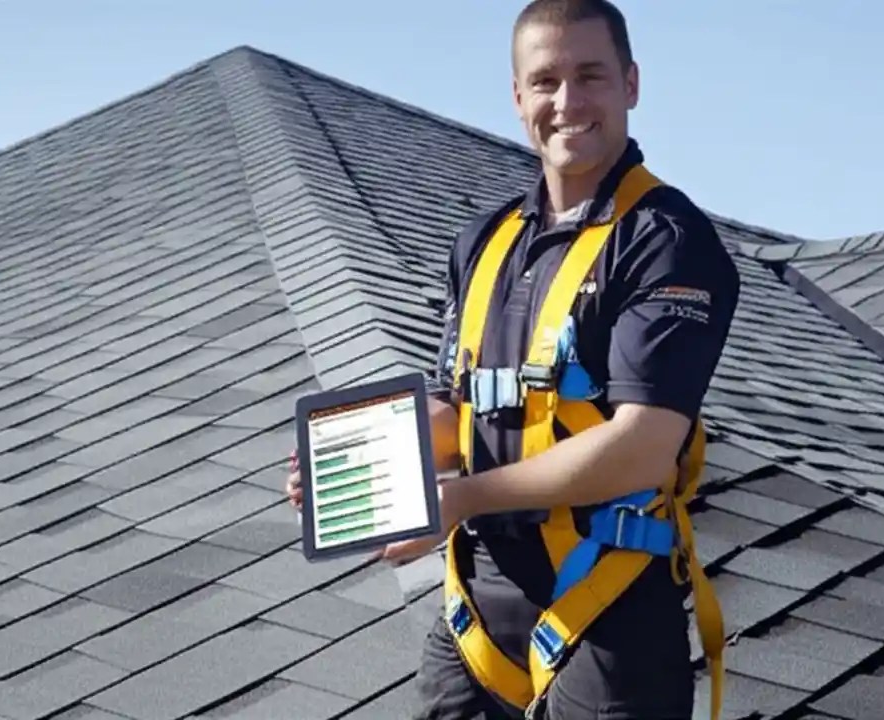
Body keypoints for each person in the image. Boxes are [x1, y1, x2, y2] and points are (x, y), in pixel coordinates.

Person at [288, 1, 740, 718]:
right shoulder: (486, 241)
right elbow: (463, 408)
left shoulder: (665, 240)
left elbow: (643, 449)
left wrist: (457, 498)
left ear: (630, 83)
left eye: (590, 76)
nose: (568, 102)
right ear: (517, 96)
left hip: (609, 598)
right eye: (546, 80)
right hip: (480, 604)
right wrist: (356, 463)